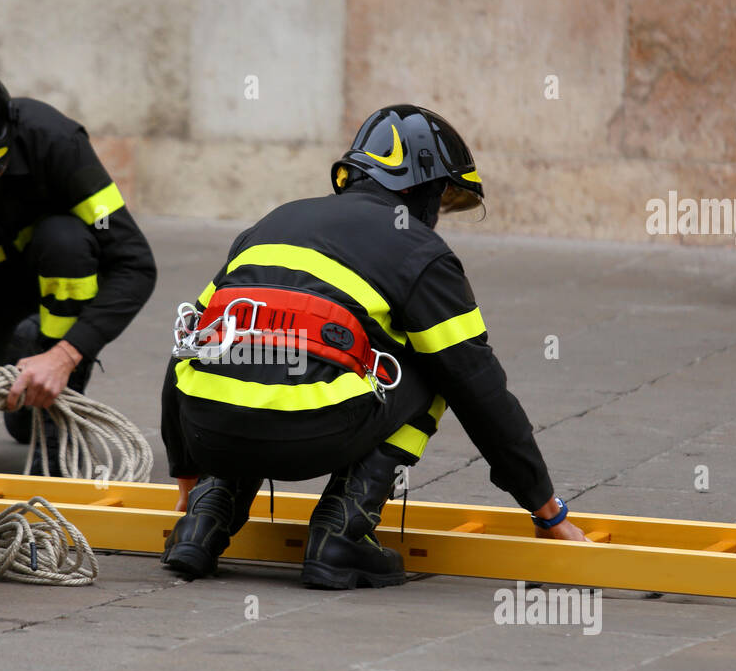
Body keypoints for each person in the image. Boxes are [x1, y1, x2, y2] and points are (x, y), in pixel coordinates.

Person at [160, 104, 587, 589]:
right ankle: (341, 534)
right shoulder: (422, 253)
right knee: (439, 364)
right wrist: (545, 508)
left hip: (210, 427)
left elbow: (188, 345)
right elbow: (479, 387)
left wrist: (187, 474)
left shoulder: (273, 223)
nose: (440, 213)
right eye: (443, 197)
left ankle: (204, 523)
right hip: (310, 433)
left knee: (242, 350)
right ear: (421, 186)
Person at [0, 59, 156, 469]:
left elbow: (134, 264)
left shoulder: (54, 142)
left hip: (50, 296)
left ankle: (52, 406)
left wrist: (65, 355)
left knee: (66, 240)